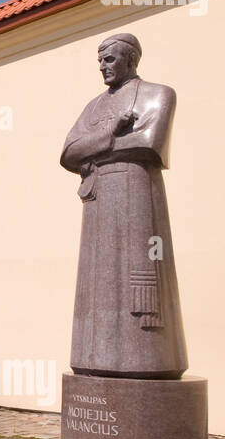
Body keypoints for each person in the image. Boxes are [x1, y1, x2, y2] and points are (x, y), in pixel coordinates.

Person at [60, 33, 187, 379]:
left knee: (139, 278)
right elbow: (68, 154)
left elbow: (149, 143)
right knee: (98, 280)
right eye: (100, 61)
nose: (103, 66)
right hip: (98, 201)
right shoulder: (94, 106)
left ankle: (147, 361)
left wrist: (95, 149)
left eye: (110, 59)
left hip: (136, 192)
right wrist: (112, 135)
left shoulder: (158, 94)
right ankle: (95, 359)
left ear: (131, 60)